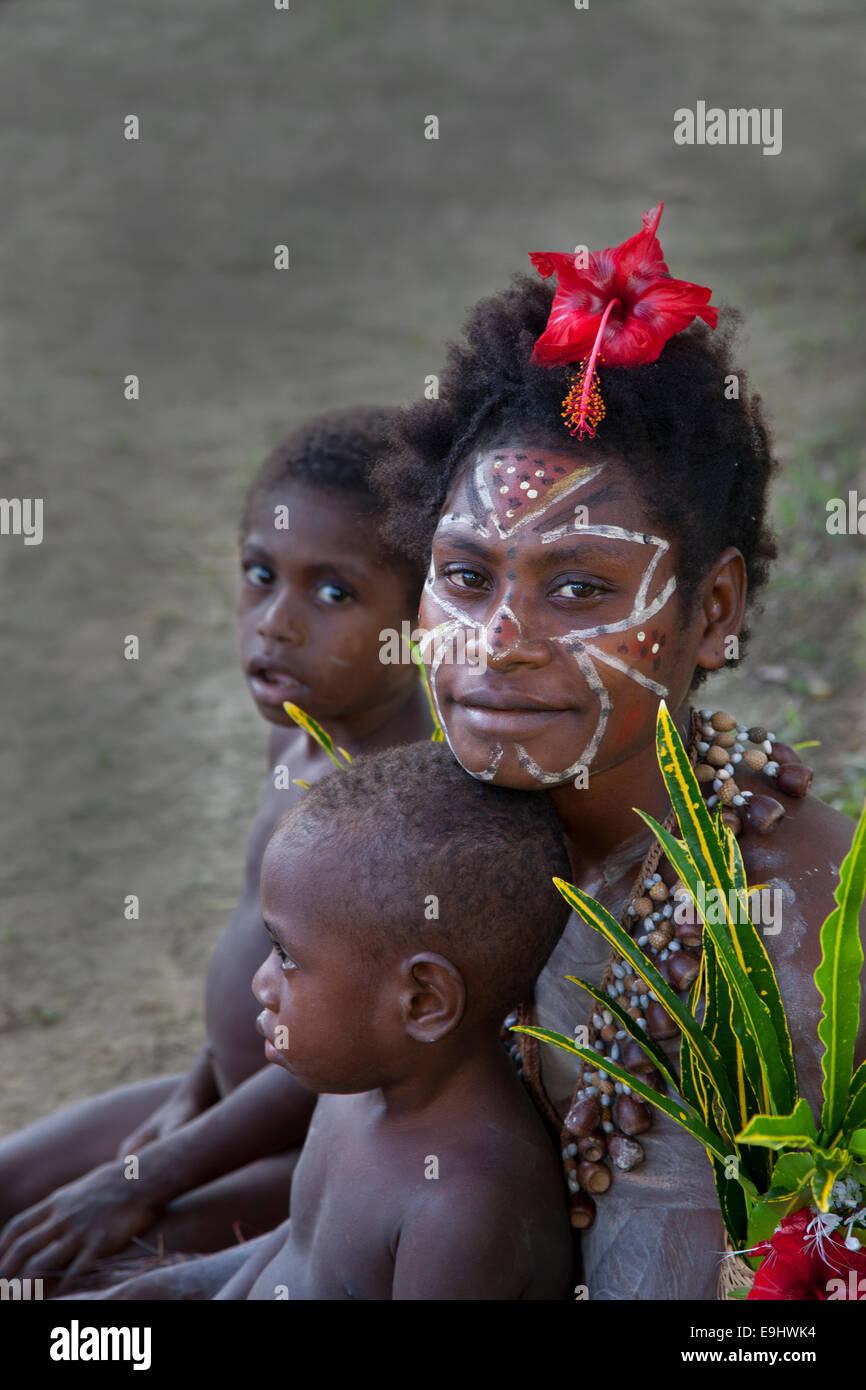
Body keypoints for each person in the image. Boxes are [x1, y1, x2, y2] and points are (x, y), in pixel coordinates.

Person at [372, 203, 865, 1298]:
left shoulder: (814, 932)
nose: (496, 643)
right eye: (464, 577)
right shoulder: (409, 846)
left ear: (716, 608)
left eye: (580, 587)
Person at [0, 406, 432, 1292]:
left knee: (75, 1273)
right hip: (225, 1099)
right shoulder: (300, 738)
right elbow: (267, 956)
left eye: (333, 592)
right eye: (259, 574)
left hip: (318, 1144)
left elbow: (344, 1068)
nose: (274, 622)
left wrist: (151, 1180)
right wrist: (190, 1097)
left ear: (425, 617)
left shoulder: (403, 801)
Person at [78, 742, 574, 1300]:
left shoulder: (462, 1211)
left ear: (421, 1003)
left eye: (286, 956)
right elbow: (299, 1249)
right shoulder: (356, 1090)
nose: (261, 985)